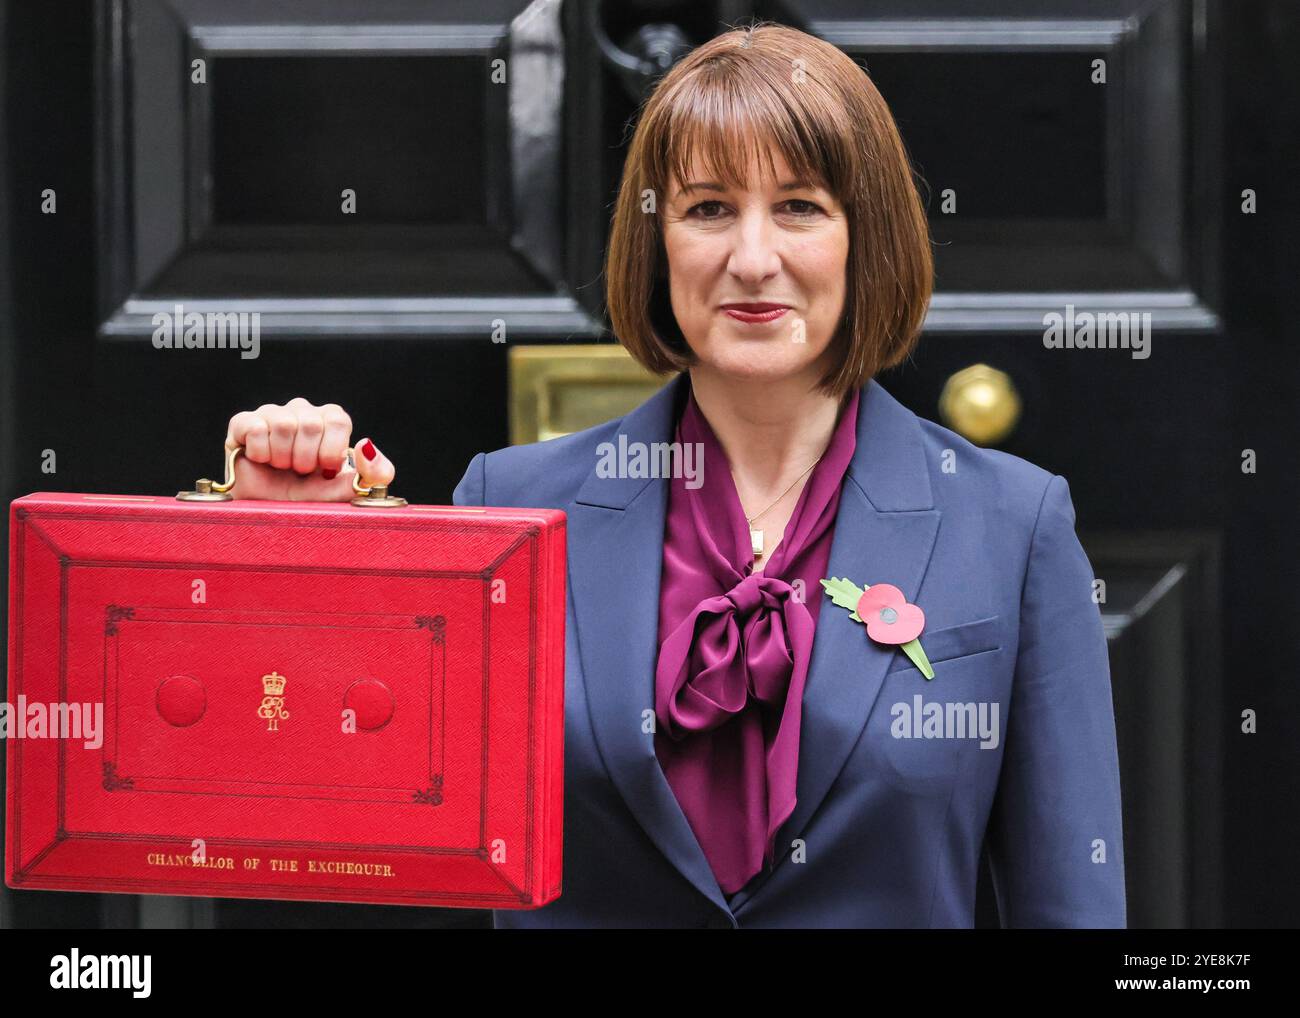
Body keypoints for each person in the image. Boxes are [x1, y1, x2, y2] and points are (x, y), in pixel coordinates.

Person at [225, 22, 1126, 928]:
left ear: (868, 237)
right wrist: (286, 555)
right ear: (656, 242)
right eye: (707, 209)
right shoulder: (513, 509)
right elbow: (333, 805)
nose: (752, 257)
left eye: (802, 206)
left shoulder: (1013, 524)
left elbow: (1070, 901)